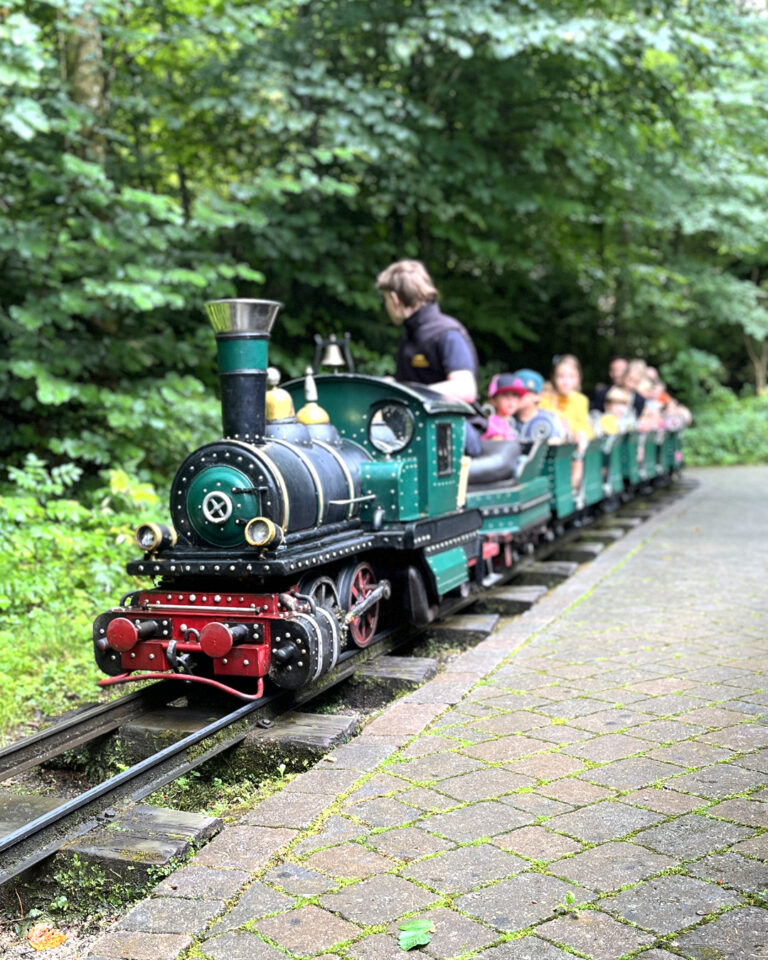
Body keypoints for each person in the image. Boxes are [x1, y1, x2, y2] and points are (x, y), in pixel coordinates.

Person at [376, 259, 483, 455]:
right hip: (421, 426)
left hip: (460, 429)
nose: (386, 306)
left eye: (385, 300)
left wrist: (405, 391)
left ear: (395, 298)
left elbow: (465, 389)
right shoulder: (409, 337)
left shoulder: (446, 332)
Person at [540, 354, 592, 490]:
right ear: (554, 378)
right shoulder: (545, 400)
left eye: (571, 377)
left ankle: (575, 483)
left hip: (573, 439)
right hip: (553, 438)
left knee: (582, 437)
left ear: (578, 379)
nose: (565, 381)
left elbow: (583, 425)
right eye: (561, 377)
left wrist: (572, 428)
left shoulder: (581, 400)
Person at [511, 369, 565, 443]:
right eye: (513, 392)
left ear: (537, 396)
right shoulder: (507, 419)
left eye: (523, 392)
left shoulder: (549, 420)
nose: (516, 396)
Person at [482, 373, 521, 441]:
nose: (510, 399)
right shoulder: (492, 423)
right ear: (493, 400)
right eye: (504, 395)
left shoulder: (508, 423)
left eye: (514, 395)